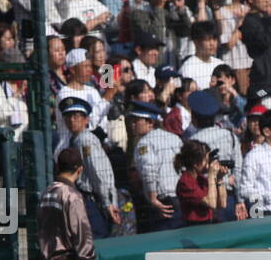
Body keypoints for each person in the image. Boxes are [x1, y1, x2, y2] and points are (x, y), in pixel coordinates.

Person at [56, 97, 119, 239]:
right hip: (84, 199)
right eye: (68, 116)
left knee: (96, 240)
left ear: (86, 120)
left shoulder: (85, 140)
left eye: (77, 116)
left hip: (92, 200)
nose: (72, 120)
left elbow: (98, 173)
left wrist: (107, 203)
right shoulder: (72, 140)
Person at [129, 99, 182, 231]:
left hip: (162, 202)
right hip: (180, 197)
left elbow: (149, 171)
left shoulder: (144, 143)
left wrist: (152, 199)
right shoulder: (174, 137)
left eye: (136, 120)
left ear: (150, 122)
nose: (132, 124)